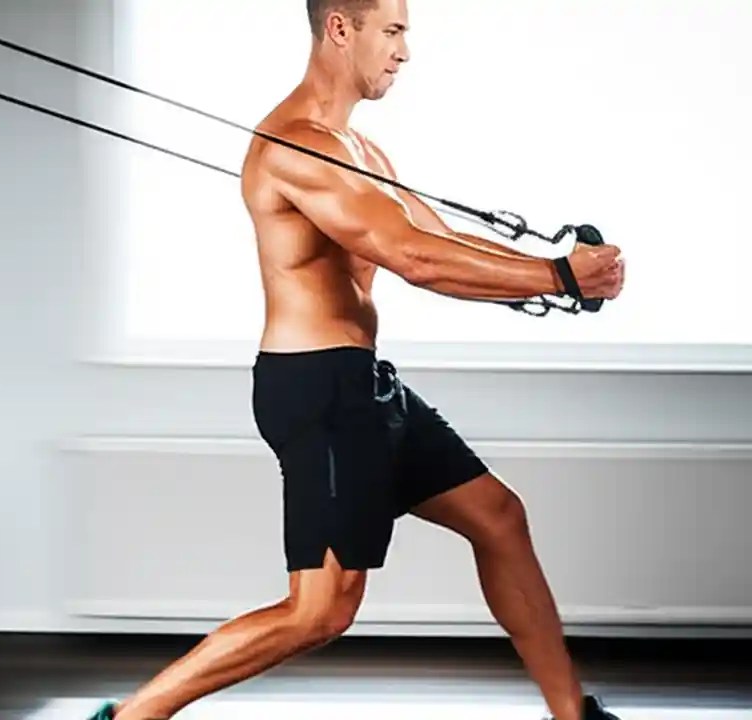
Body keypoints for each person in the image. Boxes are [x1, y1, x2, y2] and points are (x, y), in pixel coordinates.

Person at [85, 1, 627, 720]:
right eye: (394, 32)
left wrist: (557, 269)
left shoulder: (361, 152)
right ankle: (129, 719)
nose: (405, 53)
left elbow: (443, 241)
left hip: (365, 385)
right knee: (321, 612)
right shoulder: (293, 146)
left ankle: (572, 715)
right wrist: (559, 278)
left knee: (498, 516)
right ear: (341, 27)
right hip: (317, 389)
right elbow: (412, 260)